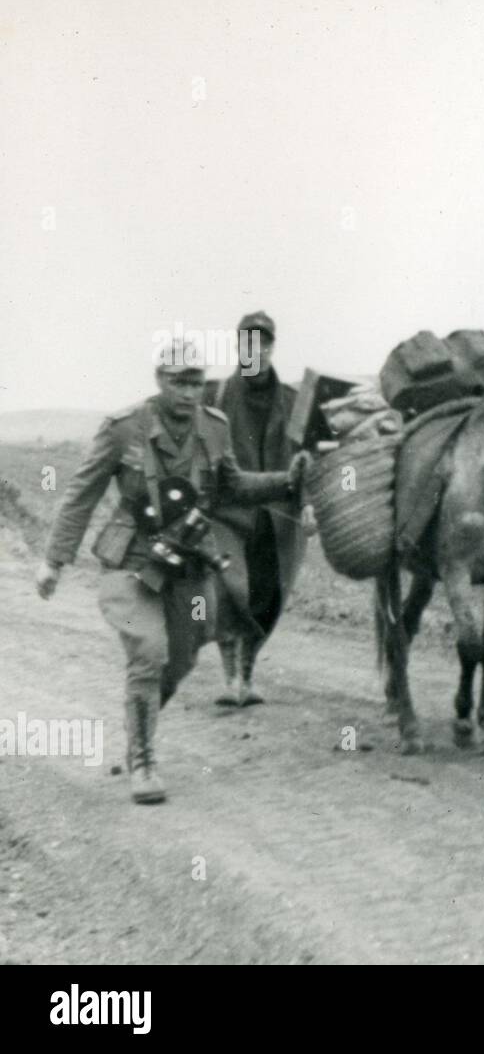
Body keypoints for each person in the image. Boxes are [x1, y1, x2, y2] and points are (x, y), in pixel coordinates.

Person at [35, 344, 310, 804]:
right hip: (131, 563)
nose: (188, 392)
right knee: (149, 649)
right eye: (179, 382)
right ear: (160, 380)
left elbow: (231, 486)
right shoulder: (124, 429)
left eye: (196, 382)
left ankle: (139, 722)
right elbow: (81, 493)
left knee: (182, 655)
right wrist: (53, 561)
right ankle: (143, 760)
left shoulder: (213, 429)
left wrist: (287, 481)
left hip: (188, 565)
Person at [204, 311, 308, 706]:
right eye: (248, 342)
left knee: (268, 597)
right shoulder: (213, 398)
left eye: (263, 343)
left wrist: (310, 504)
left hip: (279, 517)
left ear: (271, 348)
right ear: (238, 347)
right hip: (228, 513)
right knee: (233, 590)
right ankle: (230, 679)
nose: (256, 350)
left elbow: (309, 456)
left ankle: (247, 676)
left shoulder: (295, 402)